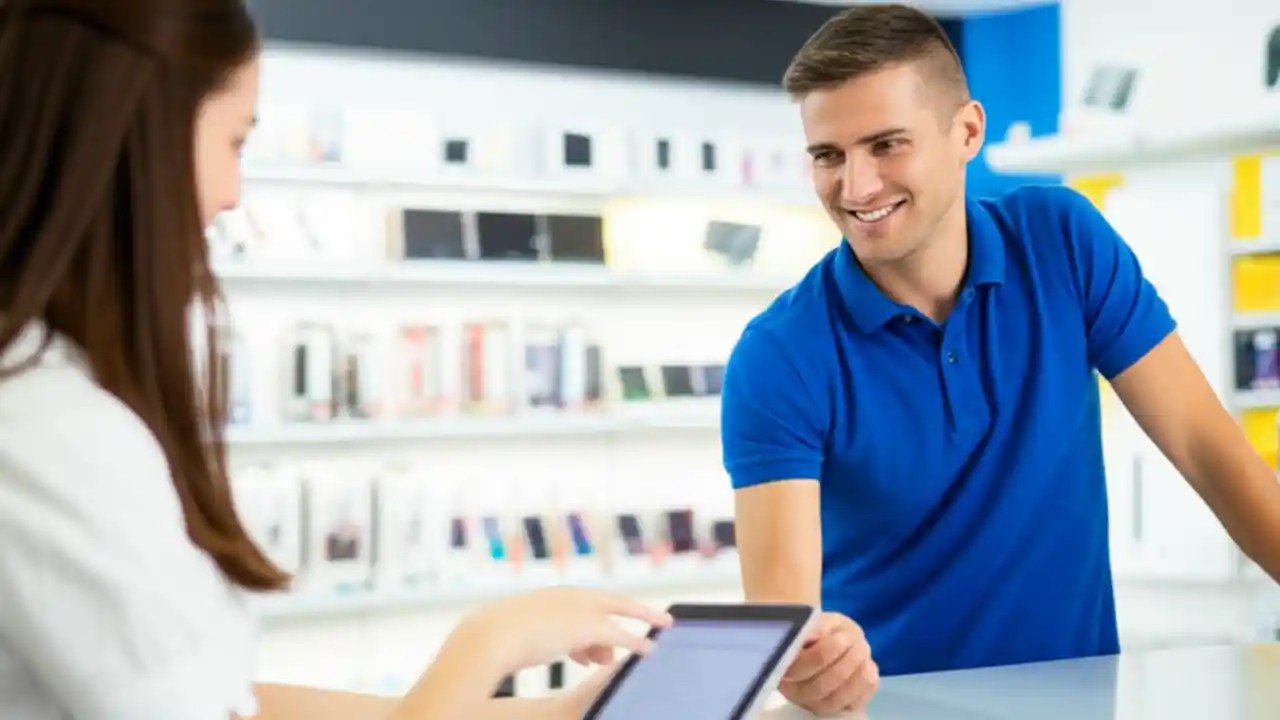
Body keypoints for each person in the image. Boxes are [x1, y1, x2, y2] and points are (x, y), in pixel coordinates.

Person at [0, 1, 672, 718]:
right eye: (234, 142)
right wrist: (487, 647)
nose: (232, 195)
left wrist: (552, 713)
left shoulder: (47, 408)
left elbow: (222, 703)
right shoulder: (52, 433)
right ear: (137, 137)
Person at [721, 3, 1280, 716]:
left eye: (886, 145)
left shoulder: (1062, 241)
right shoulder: (779, 356)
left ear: (968, 132)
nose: (855, 188)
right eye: (828, 156)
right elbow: (786, 619)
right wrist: (807, 664)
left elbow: (1208, 449)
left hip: (1079, 704)